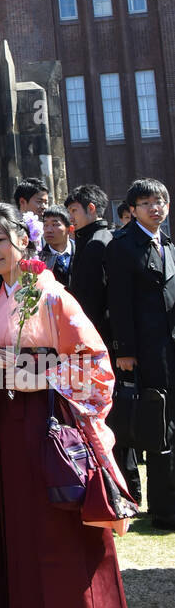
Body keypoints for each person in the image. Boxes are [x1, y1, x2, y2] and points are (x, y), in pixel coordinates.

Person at [0, 204, 134, 608]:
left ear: (25, 241)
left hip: (51, 431)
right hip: (8, 433)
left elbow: (94, 364)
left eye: (2, 239)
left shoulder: (52, 296)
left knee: (72, 540)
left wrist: (35, 373)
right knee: (21, 542)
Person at [105, 178, 175, 528]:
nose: (156, 207)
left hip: (169, 347)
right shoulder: (122, 246)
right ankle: (162, 509)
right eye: (147, 203)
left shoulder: (167, 243)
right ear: (131, 210)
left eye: (161, 201)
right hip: (143, 351)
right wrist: (125, 352)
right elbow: (118, 303)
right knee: (155, 426)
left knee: (170, 424)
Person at [65, 184, 112, 345]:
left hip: (95, 333)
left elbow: (91, 297)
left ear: (91, 208)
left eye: (73, 210)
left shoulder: (95, 243)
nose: (70, 218)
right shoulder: (102, 236)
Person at [40, 205, 74, 284]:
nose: (48, 230)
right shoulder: (40, 259)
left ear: (70, 229)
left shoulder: (81, 251)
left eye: (55, 225)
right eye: (45, 225)